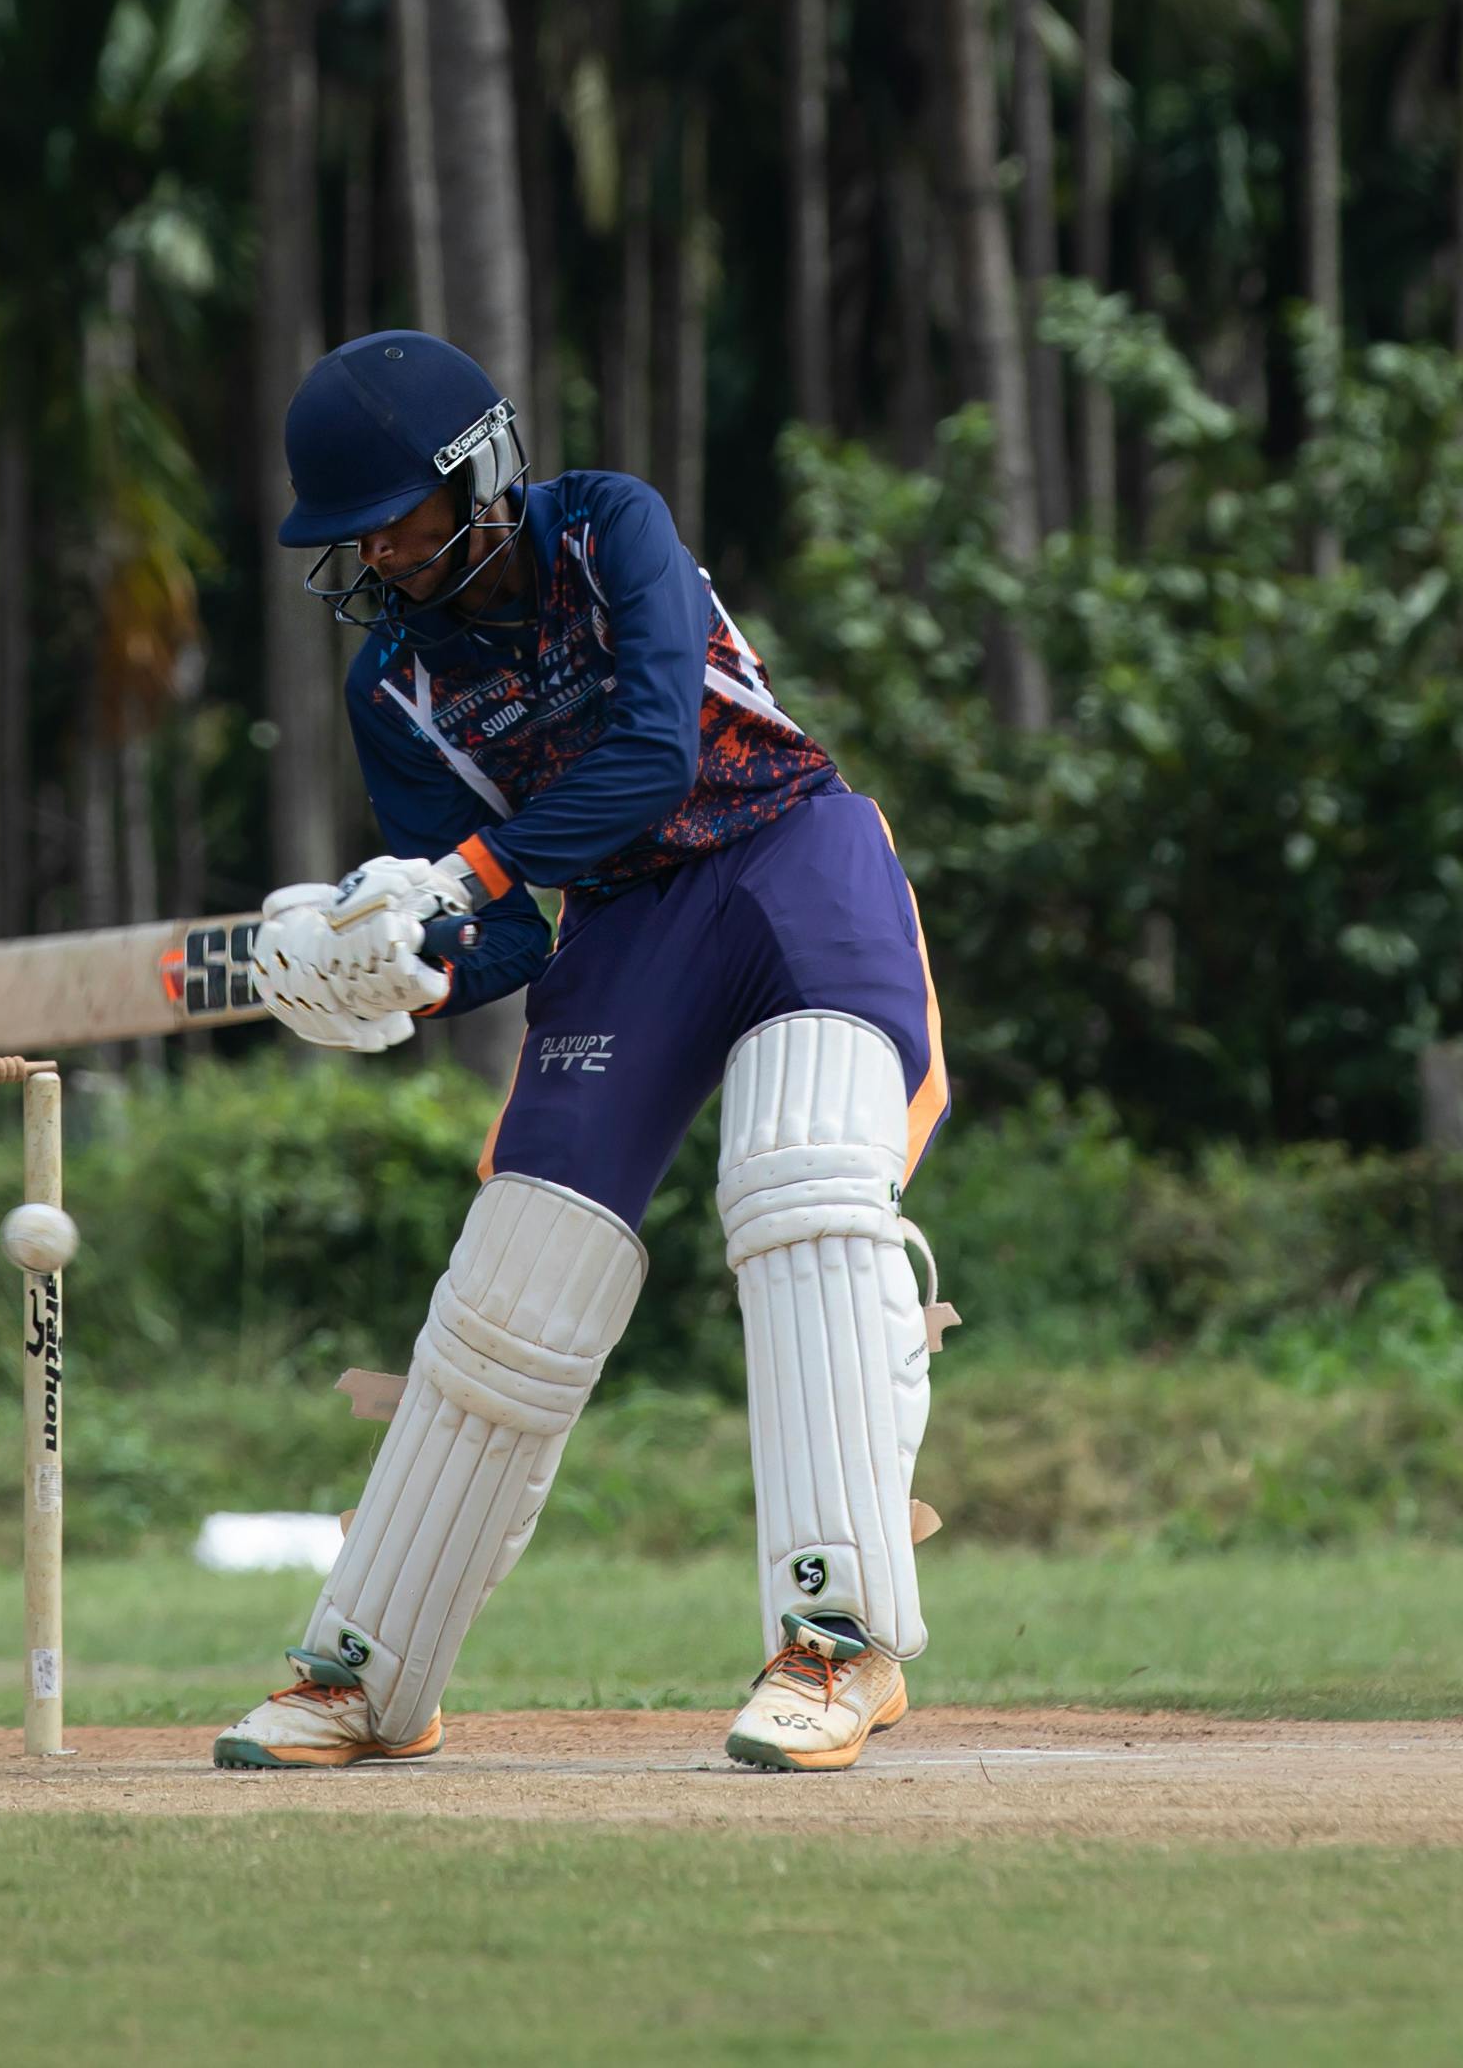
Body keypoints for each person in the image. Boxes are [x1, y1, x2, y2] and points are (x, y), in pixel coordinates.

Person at [215, 332, 952, 1775]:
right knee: (518, 1275)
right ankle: (365, 1672)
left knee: (798, 1183)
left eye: (400, 516)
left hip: (787, 860)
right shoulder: (396, 688)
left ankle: (837, 1640)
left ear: (479, 478)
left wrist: (465, 873)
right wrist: (388, 972)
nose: (377, 551)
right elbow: (499, 944)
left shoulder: (608, 525)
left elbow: (650, 752)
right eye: (352, 532)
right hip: (623, 927)